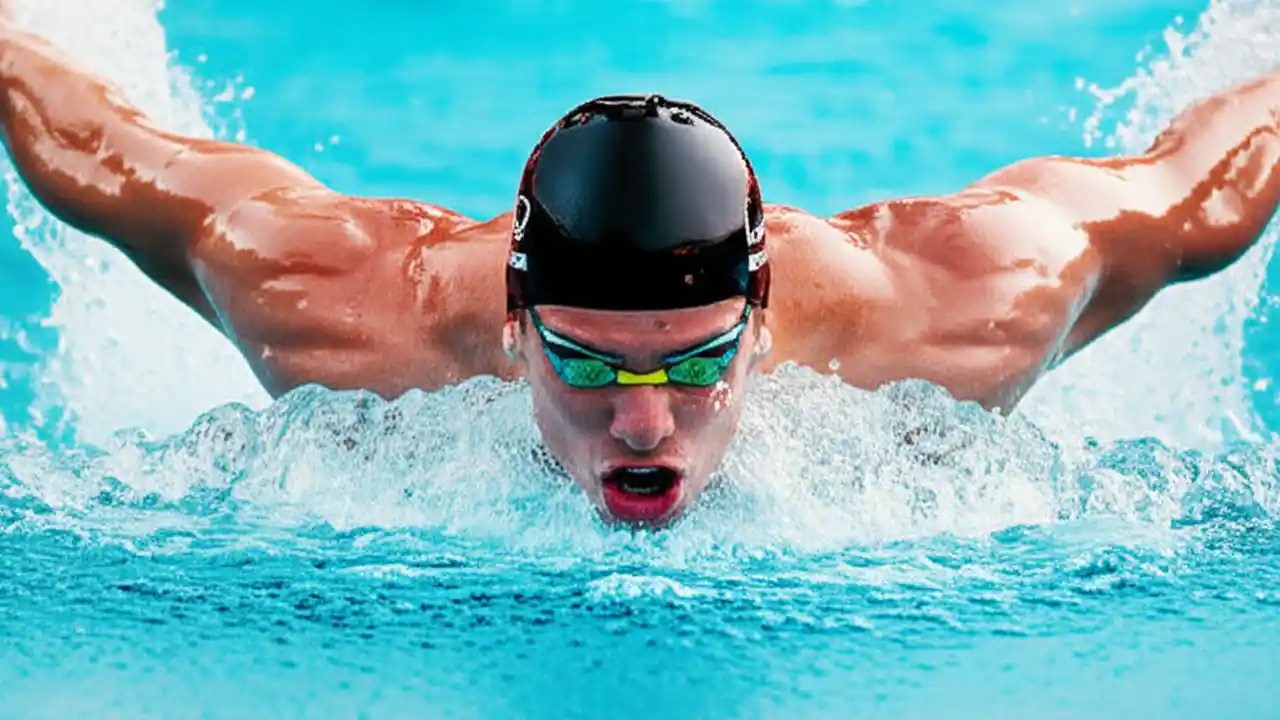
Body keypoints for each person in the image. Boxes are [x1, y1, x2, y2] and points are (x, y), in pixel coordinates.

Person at [1, 14, 1277, 525]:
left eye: (694, 358)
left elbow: (1185, 191)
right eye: (587, 360)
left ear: (761, 317)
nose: (642, 424)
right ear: (512, 324)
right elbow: (100, 148)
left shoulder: (954, 317)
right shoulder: (335, 315)